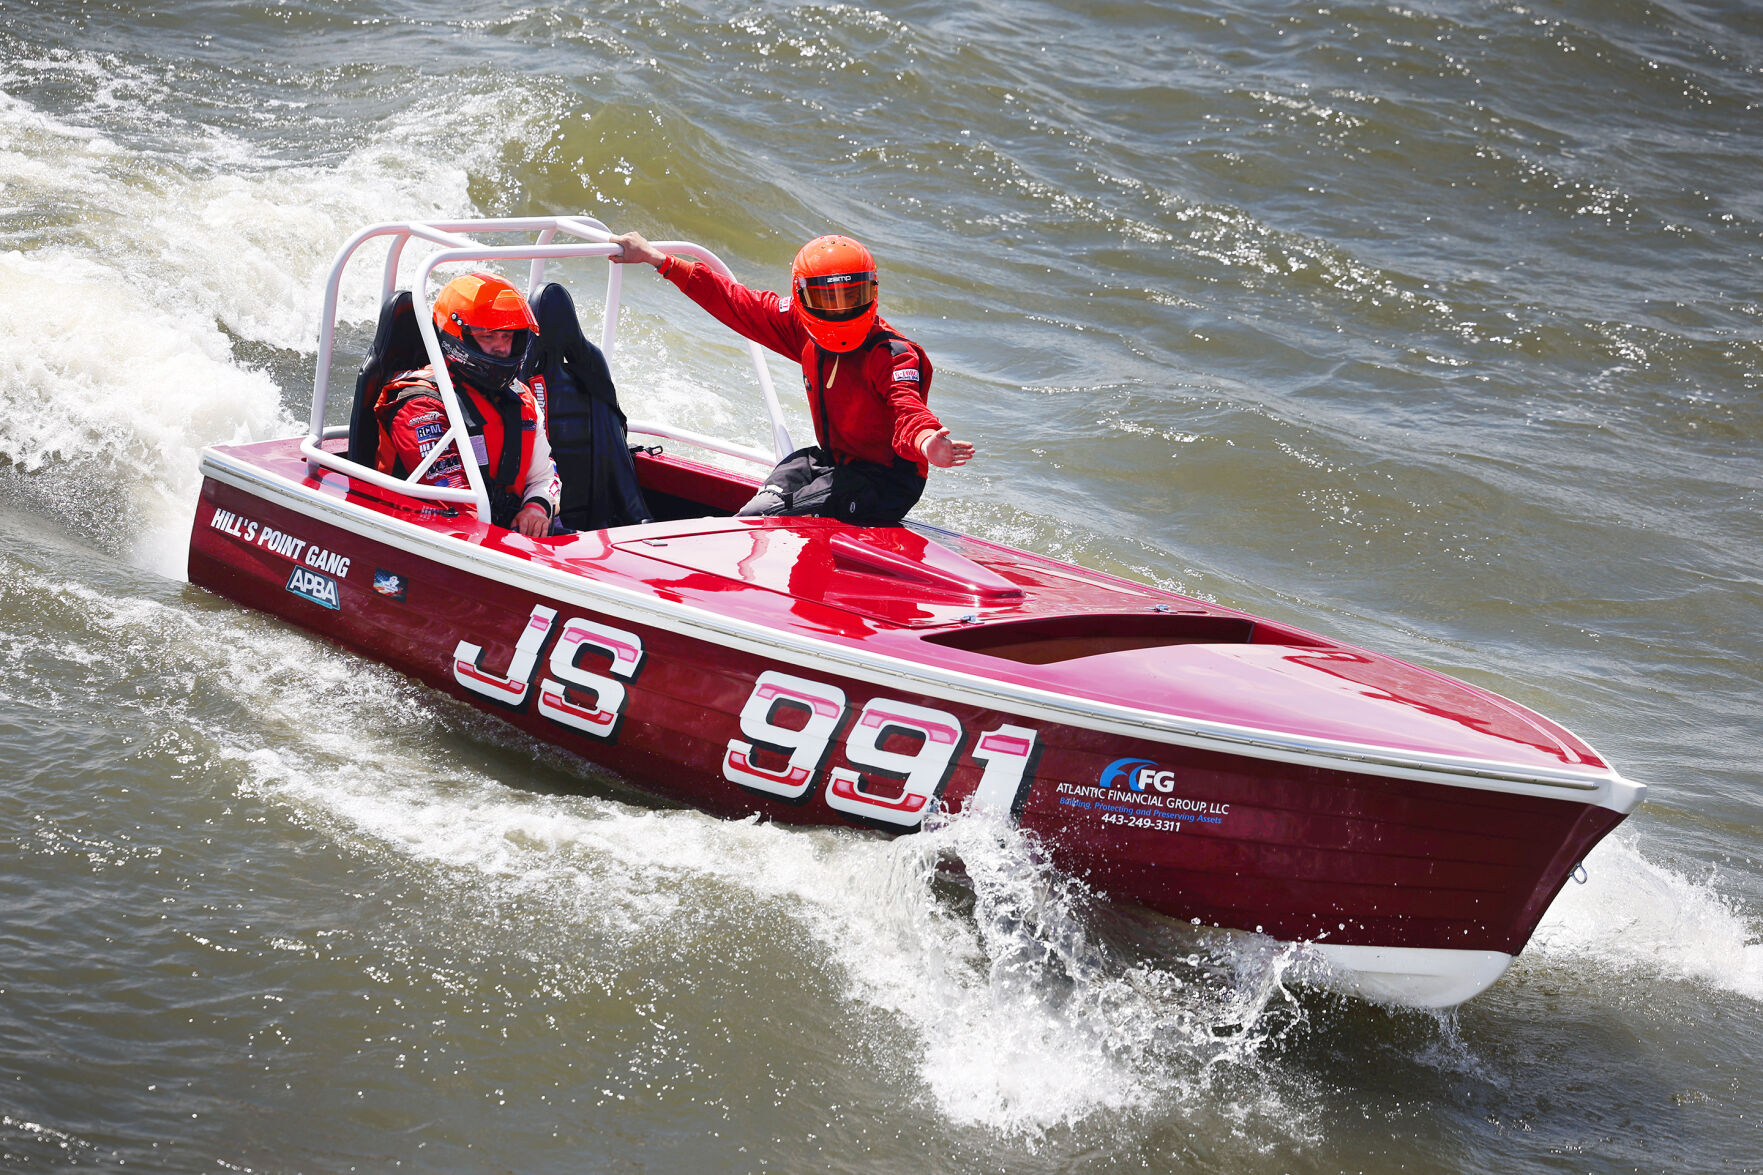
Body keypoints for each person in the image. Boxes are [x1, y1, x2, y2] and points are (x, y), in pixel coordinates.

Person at [610, 230, 974, 525]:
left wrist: (928, 443)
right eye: (827, 300)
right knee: (761, 504)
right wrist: (657, 259)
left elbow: (908, 410)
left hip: (886, 482)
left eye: (850, 296)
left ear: (872, 291)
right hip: (833, 462)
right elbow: (735, 301)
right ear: (801, 298)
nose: (841, 310)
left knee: (771, 517)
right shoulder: (800, 327)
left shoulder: (892, 355)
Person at [372, 272, 559, 537]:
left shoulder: (523, 398)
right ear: (458, 339)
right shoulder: (420, 403)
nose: (501, 349)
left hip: (502, 534)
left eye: (507, 338)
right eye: (488, 337)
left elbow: (545, 476)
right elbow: (450, 494)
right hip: (427, 538)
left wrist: (537, 508)